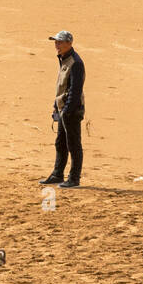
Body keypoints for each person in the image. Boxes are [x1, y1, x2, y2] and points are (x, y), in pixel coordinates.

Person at [41, 30, 86, 188]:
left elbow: (75, 90)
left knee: (74, 144)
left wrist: (66, 111)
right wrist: (56, 107)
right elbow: (62, 86)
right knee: (60, 143)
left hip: (71, 112)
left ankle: (74, 178)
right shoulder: (64, 59)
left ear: (69, 43)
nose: (56, 45)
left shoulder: (76, 63)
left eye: (59, 42)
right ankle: (57, 174)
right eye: (55, 42)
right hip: (63, 109)